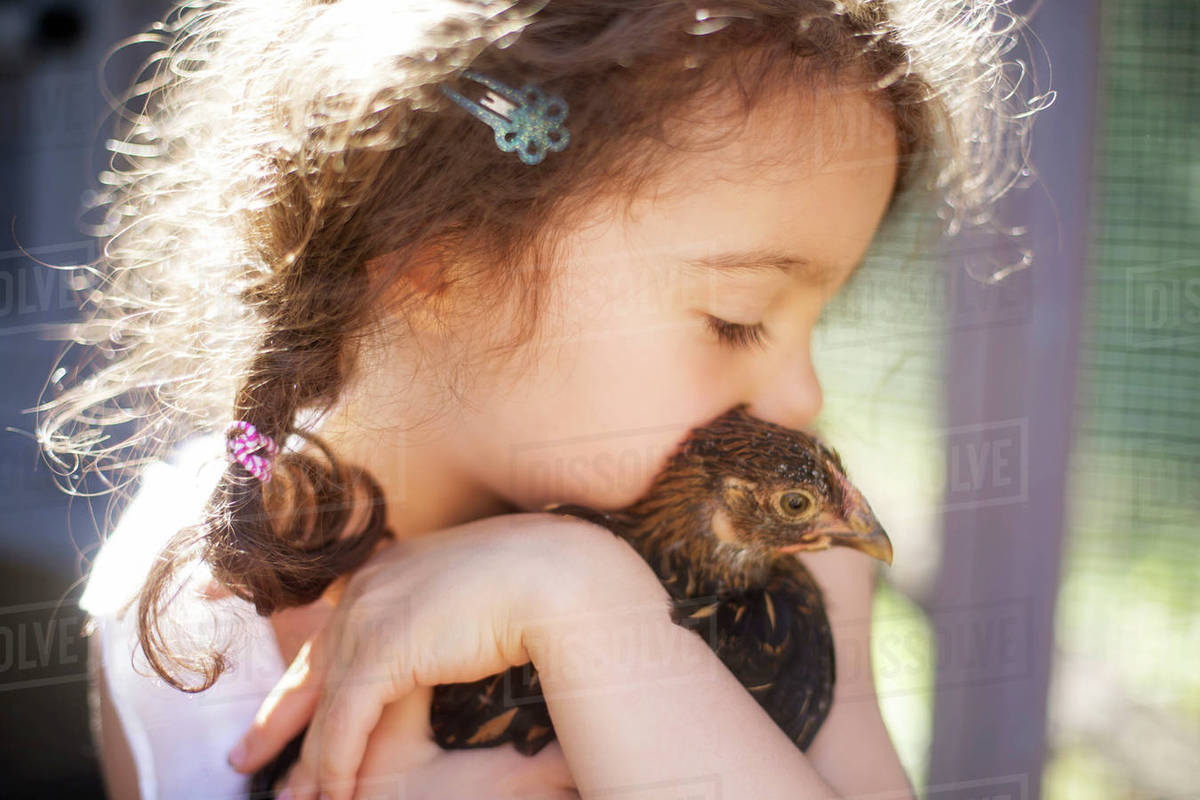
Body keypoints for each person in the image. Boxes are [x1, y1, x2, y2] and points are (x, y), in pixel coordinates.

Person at [39, 0, 1044, 797]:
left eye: (823, 315)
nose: (803, 391)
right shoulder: (189, 619)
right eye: (739, 317)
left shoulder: (790, 578)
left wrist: (581, 604)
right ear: (439, 267)